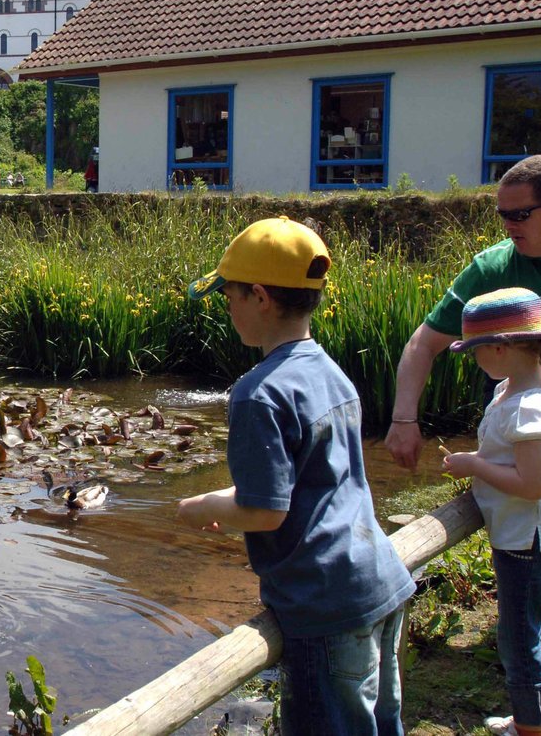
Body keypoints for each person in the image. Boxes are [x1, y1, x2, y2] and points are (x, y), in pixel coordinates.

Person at [385, 155, 541, 698]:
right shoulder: (495, 266)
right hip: (531, 425)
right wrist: (404, 419)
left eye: (519, 215)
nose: (507, 226)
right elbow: (422, 345)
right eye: (501, 214)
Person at [178, 217, 415, 735]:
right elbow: (318, 482)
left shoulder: (256, 392)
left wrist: (207, 508)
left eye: (230, 295)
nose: (227, 307)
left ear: (260, 297)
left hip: (323, 600)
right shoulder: (328, 369)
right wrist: (231, 494)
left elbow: (266, 512)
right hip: (377, 577)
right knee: (379, 720)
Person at [441, 288, 541, 736]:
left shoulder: (531, 406)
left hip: (531, 537)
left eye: (477, 351)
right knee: (533, 626)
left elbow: (532, 484)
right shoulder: (515, 390)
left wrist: (473, 465)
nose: (475, 360)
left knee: (518, 638)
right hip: (527, 533)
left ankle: (532, 728)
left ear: (501, 348)